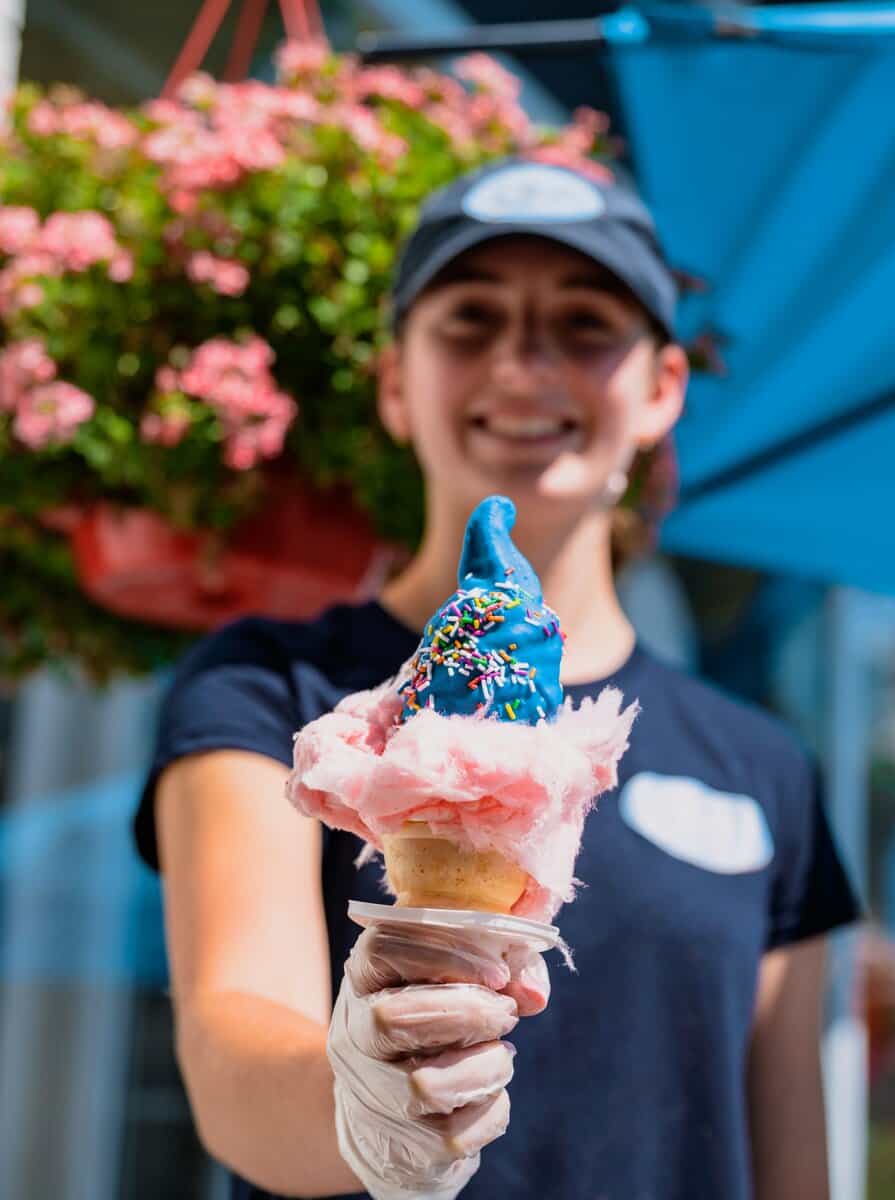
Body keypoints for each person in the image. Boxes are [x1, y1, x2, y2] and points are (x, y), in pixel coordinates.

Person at [134, 158, 860, 1200]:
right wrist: (362, 1096)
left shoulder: (763, 769)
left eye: (584, 323)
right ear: (396, 383)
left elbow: (788, 1159)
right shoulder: (269, 690)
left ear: (661, 388)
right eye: (470, 319)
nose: (523, 365)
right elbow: (233, 1065)